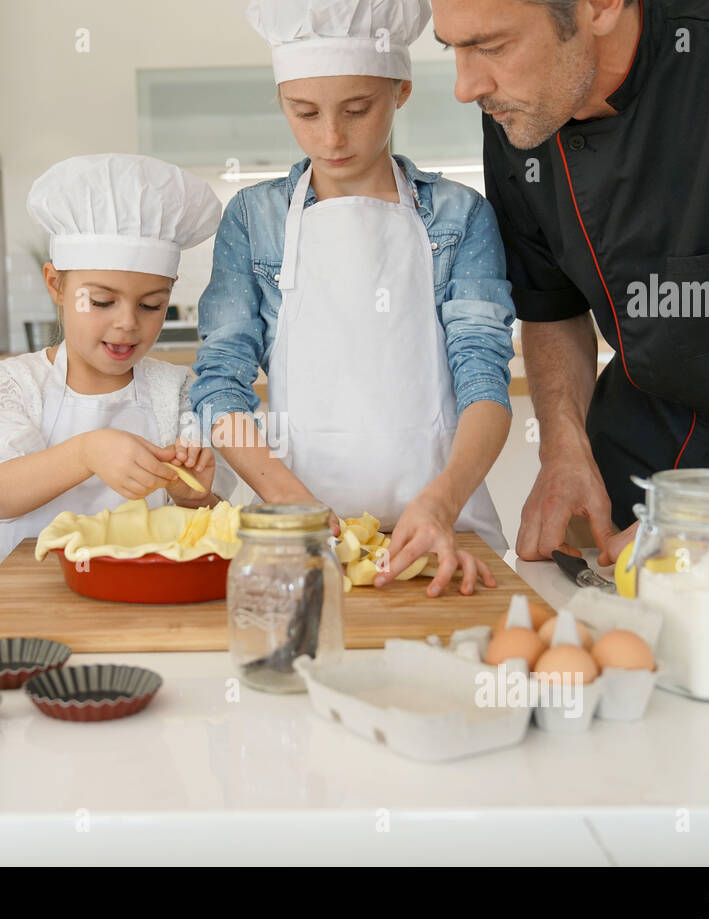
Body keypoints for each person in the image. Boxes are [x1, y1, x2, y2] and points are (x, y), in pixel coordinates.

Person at [434, 0, 709, 565]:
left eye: (492, 46)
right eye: (451, 48)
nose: (465, 85)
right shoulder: (520, 99)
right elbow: (552, 305)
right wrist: (564, 449)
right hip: (639, 467)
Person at [192, 0, 516, 598]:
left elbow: (485, 382)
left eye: (358, 109)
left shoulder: (459, 216)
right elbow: (218, 384)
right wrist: (294, 506)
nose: (332, 137)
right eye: (305, 112)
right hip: (294, 533)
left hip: (443, 526)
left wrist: (441, 502)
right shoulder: (254, 218)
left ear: (401, 91)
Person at [0, 153, 225, 559]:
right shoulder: (20, 382)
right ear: (56, 286)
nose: (127, 323)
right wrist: (87, 452)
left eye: (151, 306)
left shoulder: (175, 389)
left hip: (141, 592)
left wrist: (191, 496)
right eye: (101, 301)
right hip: (36, 593)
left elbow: (215, 518)